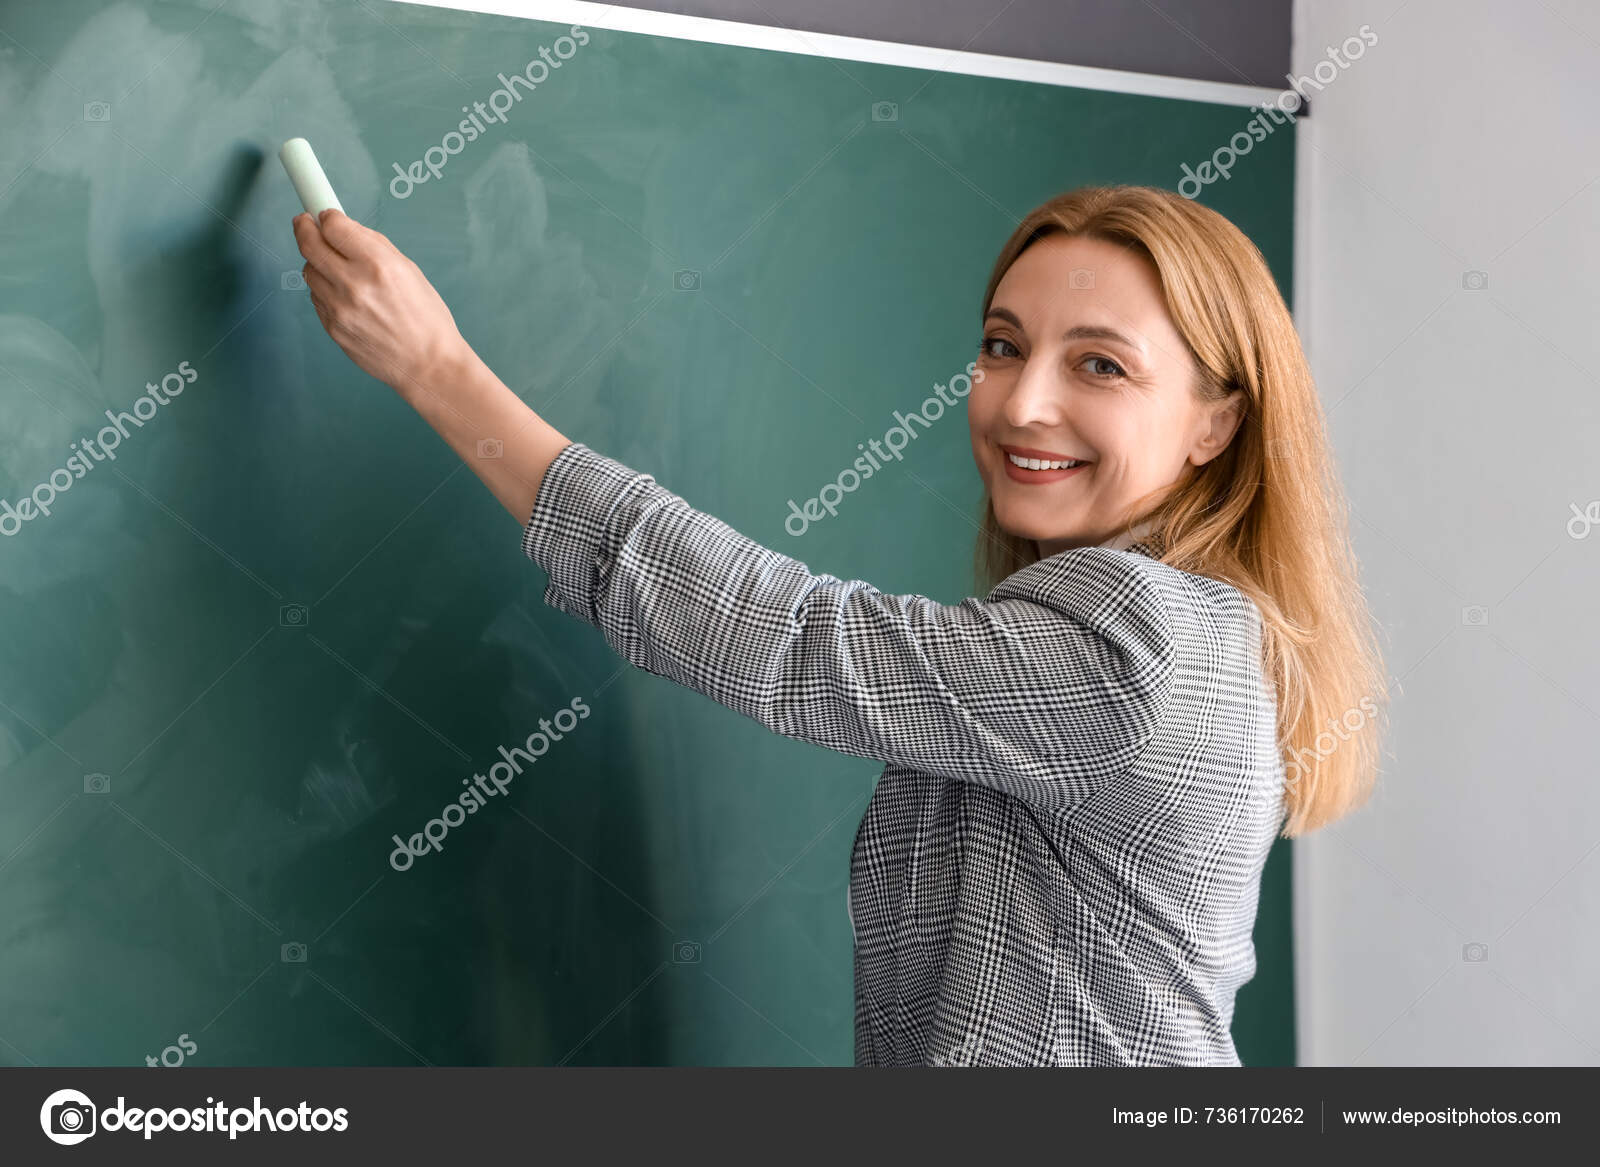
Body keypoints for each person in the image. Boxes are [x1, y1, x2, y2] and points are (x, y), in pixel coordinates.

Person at [291, 183, 1387, 1066]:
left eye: (1098, 364)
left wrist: (440, 371)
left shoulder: (1139, 642)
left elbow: (790, 639)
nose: (1020, 404)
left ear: (1215, 422)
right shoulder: (1183, 628)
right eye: (1004, 345)